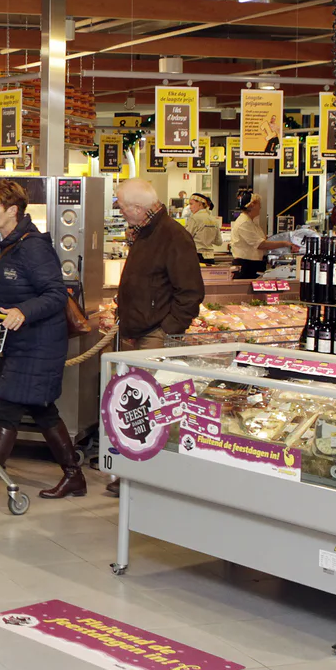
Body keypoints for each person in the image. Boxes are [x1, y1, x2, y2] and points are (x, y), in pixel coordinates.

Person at [0, 179, 78, 507]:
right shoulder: (3, 243)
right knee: (41, 407)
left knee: (6, 405)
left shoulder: (32, 246)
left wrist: (24, 310)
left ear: (12, 211)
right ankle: (74, 475)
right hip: (22, 339)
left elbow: (55, 293)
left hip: (41, 341)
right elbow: (4, 289)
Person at [110, 179, 205, 496]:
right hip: (134, 333)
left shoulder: (173, 236)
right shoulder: (144, 233)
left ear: (138, 208)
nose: (120, 211)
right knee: (132, 407)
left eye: (122, 205)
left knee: (151, 408)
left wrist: (167, 330)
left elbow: (190, 293)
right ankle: (131, 469)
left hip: (155, 337)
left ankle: (149, 472)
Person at [229, 194, 294, 280]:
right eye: (259, 204)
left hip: (254, 264)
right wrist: (284, 243)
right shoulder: (244, 223)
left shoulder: (252, 222)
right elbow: (261, 244)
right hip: (246, 266)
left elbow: (263, 240)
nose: (260, 207)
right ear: (252, 206)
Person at [185, 193, 221, 263]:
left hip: (196, 255)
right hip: (210, 257)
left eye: (191, 204)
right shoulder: (214, 219)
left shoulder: (194, 218)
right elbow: (218, 242)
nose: (190, 207)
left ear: (200, 204)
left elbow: (186, 238)